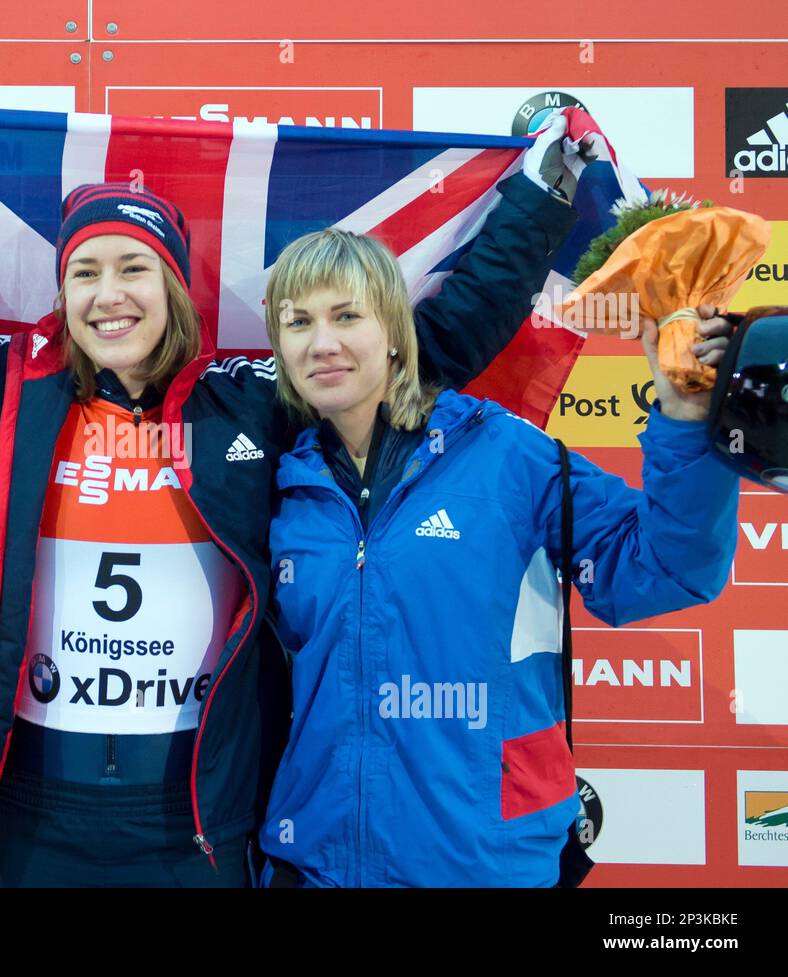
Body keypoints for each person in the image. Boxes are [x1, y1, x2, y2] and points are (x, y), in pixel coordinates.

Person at [0, 111, 590, 884]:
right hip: (33, 812)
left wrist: (540, 199)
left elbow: (419, 351)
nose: (109, 294)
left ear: (175, 283)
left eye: (133, 268)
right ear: (62, 292)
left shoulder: (249, 396)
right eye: (84, 271)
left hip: (194, 814)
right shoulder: (13, 389)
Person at [257, 229, 741, 887]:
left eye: (347, 316)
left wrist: (685, 417)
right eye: (298, 322)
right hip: (314, 864)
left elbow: (660, 567)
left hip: (483, 865)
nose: (322, 342)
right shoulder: (281, 489)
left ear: (395, 331)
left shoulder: (506, 455)